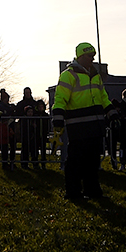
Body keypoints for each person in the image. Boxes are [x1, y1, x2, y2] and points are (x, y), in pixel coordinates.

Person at [52, 42, 118, 200]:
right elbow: (60, 99)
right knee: (76, 160)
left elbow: (103, 96)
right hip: (78, 125)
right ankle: (73, 192)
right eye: (90, 56)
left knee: (93, 161)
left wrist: (112, 113)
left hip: (95, 124)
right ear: (80, 56)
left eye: (93, 56)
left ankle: (92, 191)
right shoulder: (68, 75)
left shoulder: (95, 75)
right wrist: (58, 120)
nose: (93, 59)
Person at [0, 89, 16, 170]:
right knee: (5, 146)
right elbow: (0, 116)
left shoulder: (10, 106)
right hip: (4, 128)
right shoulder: (0, 107)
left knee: (12, 145)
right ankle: (5, 163)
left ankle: (12, 161)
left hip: (11, 128)